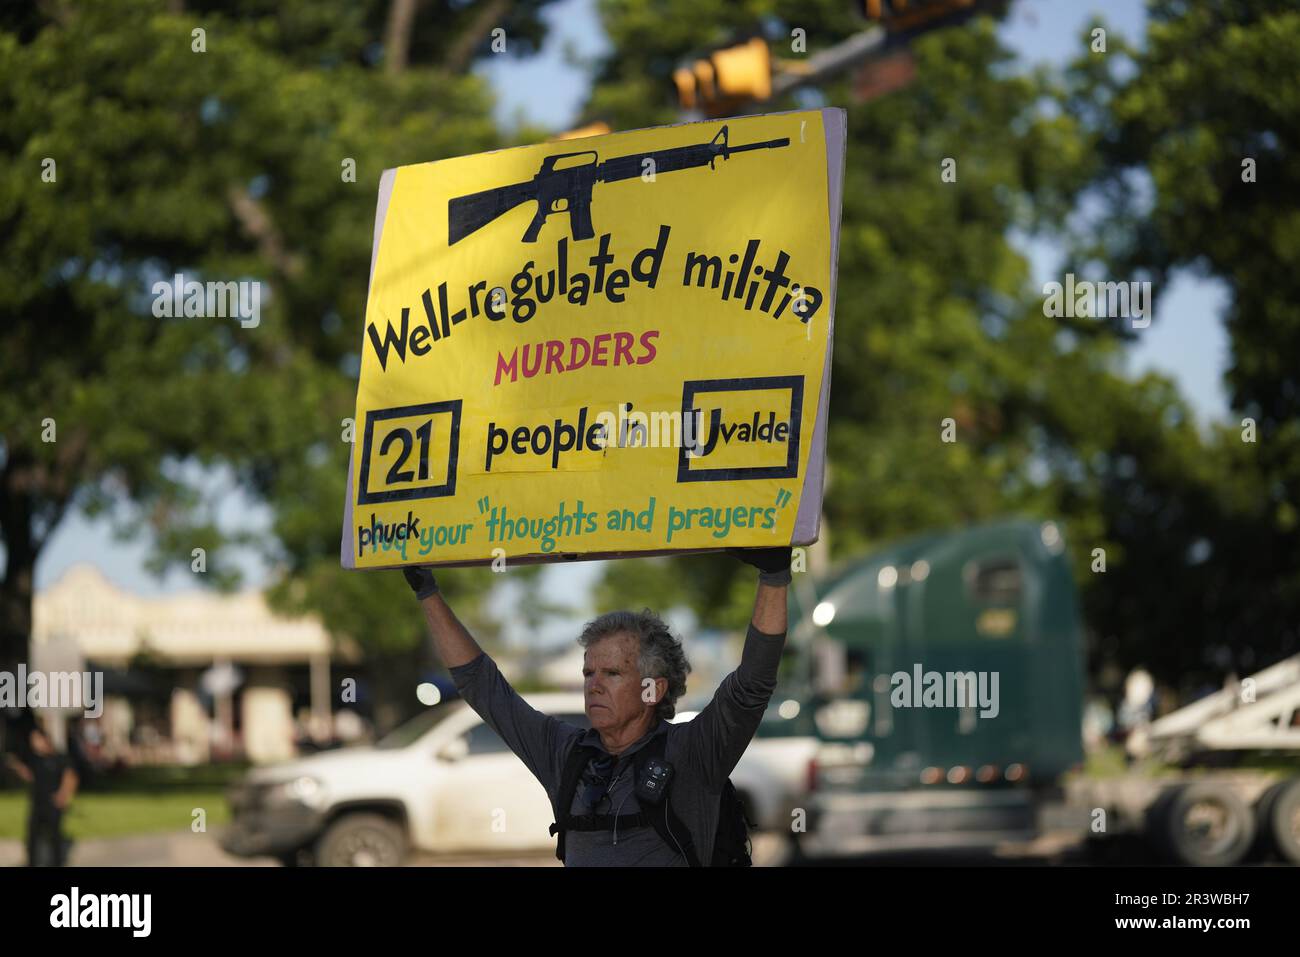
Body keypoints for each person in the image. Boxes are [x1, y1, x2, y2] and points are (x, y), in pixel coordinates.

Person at [403, 546, 791, 866]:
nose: (594, 686)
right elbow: (482, 687)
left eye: (612, 673)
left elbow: (752, 685)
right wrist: (426, 590)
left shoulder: (694, 752)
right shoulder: (566, 755)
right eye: (588, 672)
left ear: (653, 690)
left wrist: (773, 575)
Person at [4, 720, 79, 866]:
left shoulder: (59, 758)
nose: (34, 744)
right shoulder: (35, 759)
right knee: (32, 837)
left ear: (45, 740)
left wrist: (63, 795)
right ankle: (31, 863)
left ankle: (57, 864)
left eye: (37, 740)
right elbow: (29, 775)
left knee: (54, 837)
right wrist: (15, 765)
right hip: (37, 803)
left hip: (53, 803)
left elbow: (71, 777)